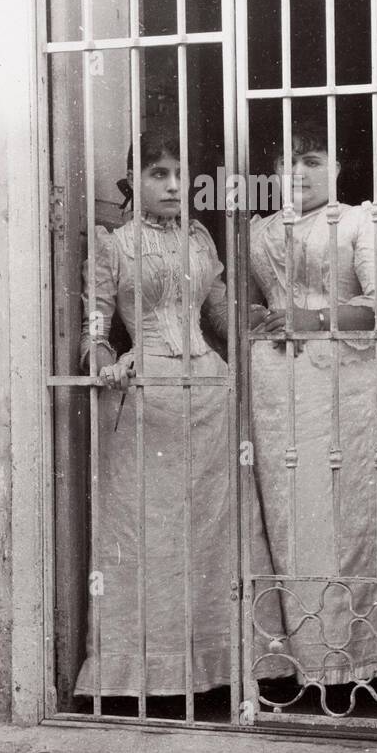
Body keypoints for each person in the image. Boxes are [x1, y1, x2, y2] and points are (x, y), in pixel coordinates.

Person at [247, 115, 377, 712]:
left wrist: (313, 318)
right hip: (280, 396)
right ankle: (306, 660)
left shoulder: (361, 222)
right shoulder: (258, 233)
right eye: (288, 160)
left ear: (339, 168)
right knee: (299, 521)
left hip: (351, 389)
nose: (299, 172)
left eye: (313, 159)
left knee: (359, 517)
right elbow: (243, 307)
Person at [73, 131, 235, 699]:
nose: (171, 185)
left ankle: (209, 674)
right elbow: (94, 321)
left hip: (209, 396)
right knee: (144, 536)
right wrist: (102, 357)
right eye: (157, 174)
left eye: (178, 175)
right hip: (145, 400)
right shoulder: (113, 245)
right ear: (133, 181)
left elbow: (220, 315)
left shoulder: (200, 239)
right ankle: (137, 677)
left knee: (207, 535)